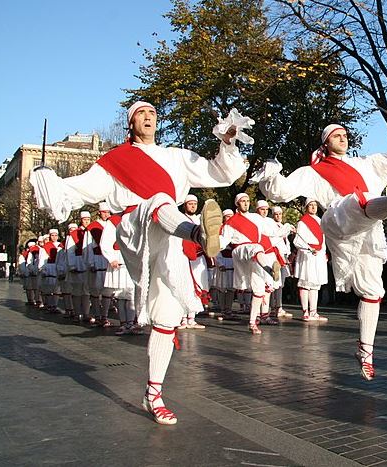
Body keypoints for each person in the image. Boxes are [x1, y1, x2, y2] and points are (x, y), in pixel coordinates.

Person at [30, 101, 250, 425]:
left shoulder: (176, 156)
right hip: (135, 230)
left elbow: (218, 173)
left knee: (167, 314)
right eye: (140, 114)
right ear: (130, 123)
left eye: (152, 114)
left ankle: (153, 393)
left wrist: (228, 142)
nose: (148, 117)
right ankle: (198, 234)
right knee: (161, 199)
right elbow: (79, 189)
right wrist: (50, 182)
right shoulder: (114, 161)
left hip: (168, 235)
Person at [256, 94, 387, 380]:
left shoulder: (367, 163)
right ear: (325, 142)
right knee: (354, 202)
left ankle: (366, 350)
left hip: (369, 231)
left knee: (373, 292)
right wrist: (270, 174)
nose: (343, 138)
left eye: (345, 134)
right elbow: (280, 192)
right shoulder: (312, 172)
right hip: (339, 222)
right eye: (337, 135)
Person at [220, 193, 293, 334]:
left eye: (247, 201)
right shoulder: (231, 222)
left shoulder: (256, 218)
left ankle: (253, 322)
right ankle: (269, 269)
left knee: (259, 290)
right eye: (242, 201)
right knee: (257, 248)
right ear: (237, 204)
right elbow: (223, 241)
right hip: (240, 251)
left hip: (256, 256)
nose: (246, 203)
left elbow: (270, 231)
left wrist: (286, 228)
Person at [293, 198, 329, 321]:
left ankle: (314, 311)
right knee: (306, 282)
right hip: (307, 254)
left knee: (315, 284)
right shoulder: (302, 222)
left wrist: (323, 253)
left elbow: (323, 240)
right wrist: (308, 249)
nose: (313, 207)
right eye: (311, 205)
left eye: (315, 205)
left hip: (318, 254)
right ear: (306, 207)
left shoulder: (320, 220)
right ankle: (305, 311)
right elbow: (298, 241)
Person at [179, 193, 207, 330]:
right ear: (185, 205)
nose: (193, 206)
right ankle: (182, 318)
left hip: (199, 258)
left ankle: (192, 318)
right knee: (185, 286)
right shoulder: (180, 219)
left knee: (197, 288)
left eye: (195, 204)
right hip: (184, 257)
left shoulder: (199, 220)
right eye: (190, 204)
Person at [84, 203, 114, 326]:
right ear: (99, 213)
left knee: (108, 290)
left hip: (109, 259)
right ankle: (97, 315)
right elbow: (88, 246)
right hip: (97, 259)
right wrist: (90, 263)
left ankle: (104, 316)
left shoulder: (113, 225)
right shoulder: (92, 227)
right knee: (95, 289)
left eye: (108, 212)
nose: (106, 214)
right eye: (104, 212)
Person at [269, 205, 293, 319]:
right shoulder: (272, 226)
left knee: (281, 284)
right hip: (275, 256)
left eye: (280, 214)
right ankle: (274, 306)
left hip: (283, 256)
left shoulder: (283, 226)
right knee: (275, 282)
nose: (278, 216)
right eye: (276, 214)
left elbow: (286, 243)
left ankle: (279, 306)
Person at [38, 229, 62, 313]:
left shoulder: (60, 245)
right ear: (50, 236)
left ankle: (54, 305)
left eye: (56, 235)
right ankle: (48, 305)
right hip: (48, 268)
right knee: (48, 289)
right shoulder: (46, 246)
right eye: (52, 235)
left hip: (57, 267)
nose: (54, 237)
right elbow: (42, 259)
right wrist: (42, 269)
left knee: (56, 289)